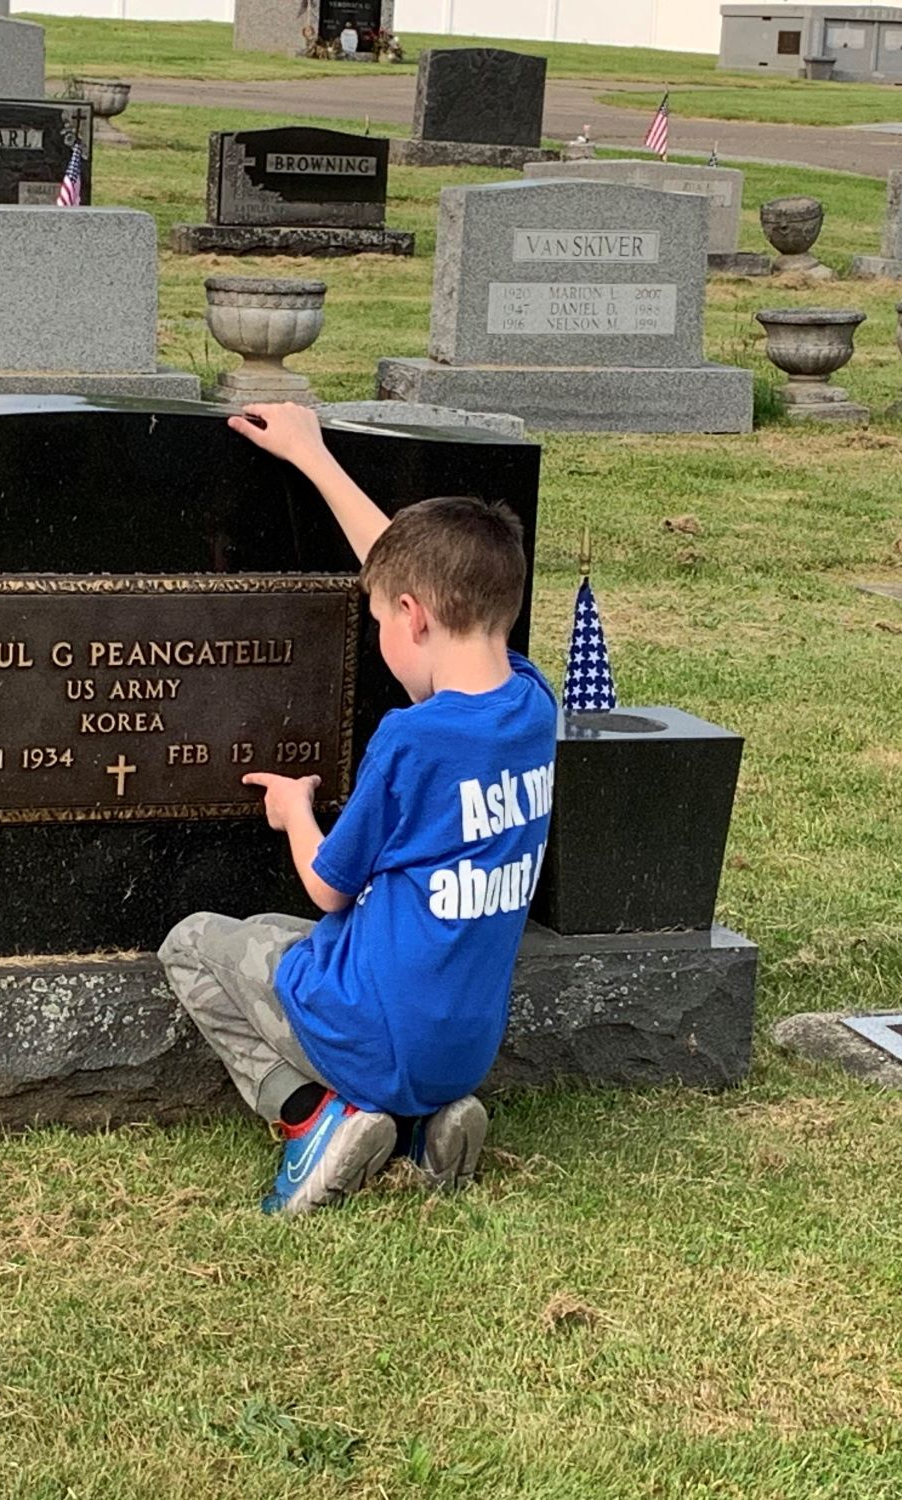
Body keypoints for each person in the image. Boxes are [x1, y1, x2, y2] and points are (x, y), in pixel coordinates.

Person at [157, 404, 557, 1217]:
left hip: (367, 1030)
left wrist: (296, 810)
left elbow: (328, 891)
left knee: (195, 943)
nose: (379, 630)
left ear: (411, 615)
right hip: (463, 1049)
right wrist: (314, 458)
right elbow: (413, 568)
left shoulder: (413, 738)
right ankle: (424, 1129)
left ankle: (311, 1119)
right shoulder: (532, 703)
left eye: (379, 618)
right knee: (356, 963)